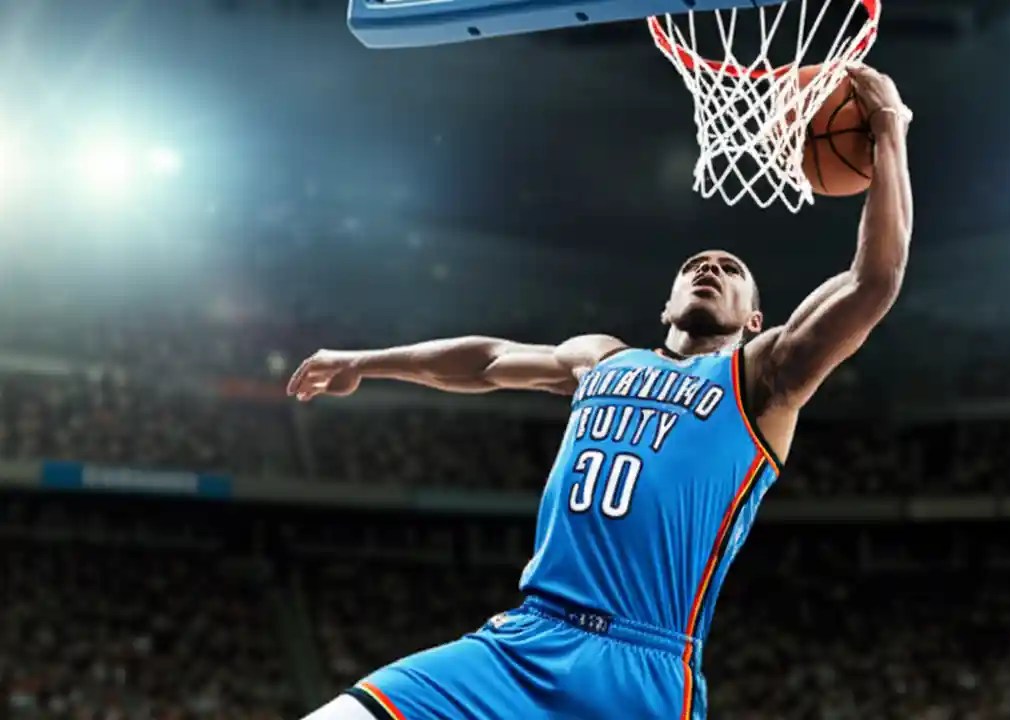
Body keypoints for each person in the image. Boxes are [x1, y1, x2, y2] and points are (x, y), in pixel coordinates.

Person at [289, 64, 912, 720]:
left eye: (730, 270)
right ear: (666, 301)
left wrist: (890, 130)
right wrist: (367, 359)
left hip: (641, 670)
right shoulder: (601, 360)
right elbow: (486, 360)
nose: (710, 268)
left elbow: (874, 280)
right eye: (695, 265)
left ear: (755, 319)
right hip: (522, 641)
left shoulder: (763, 379)